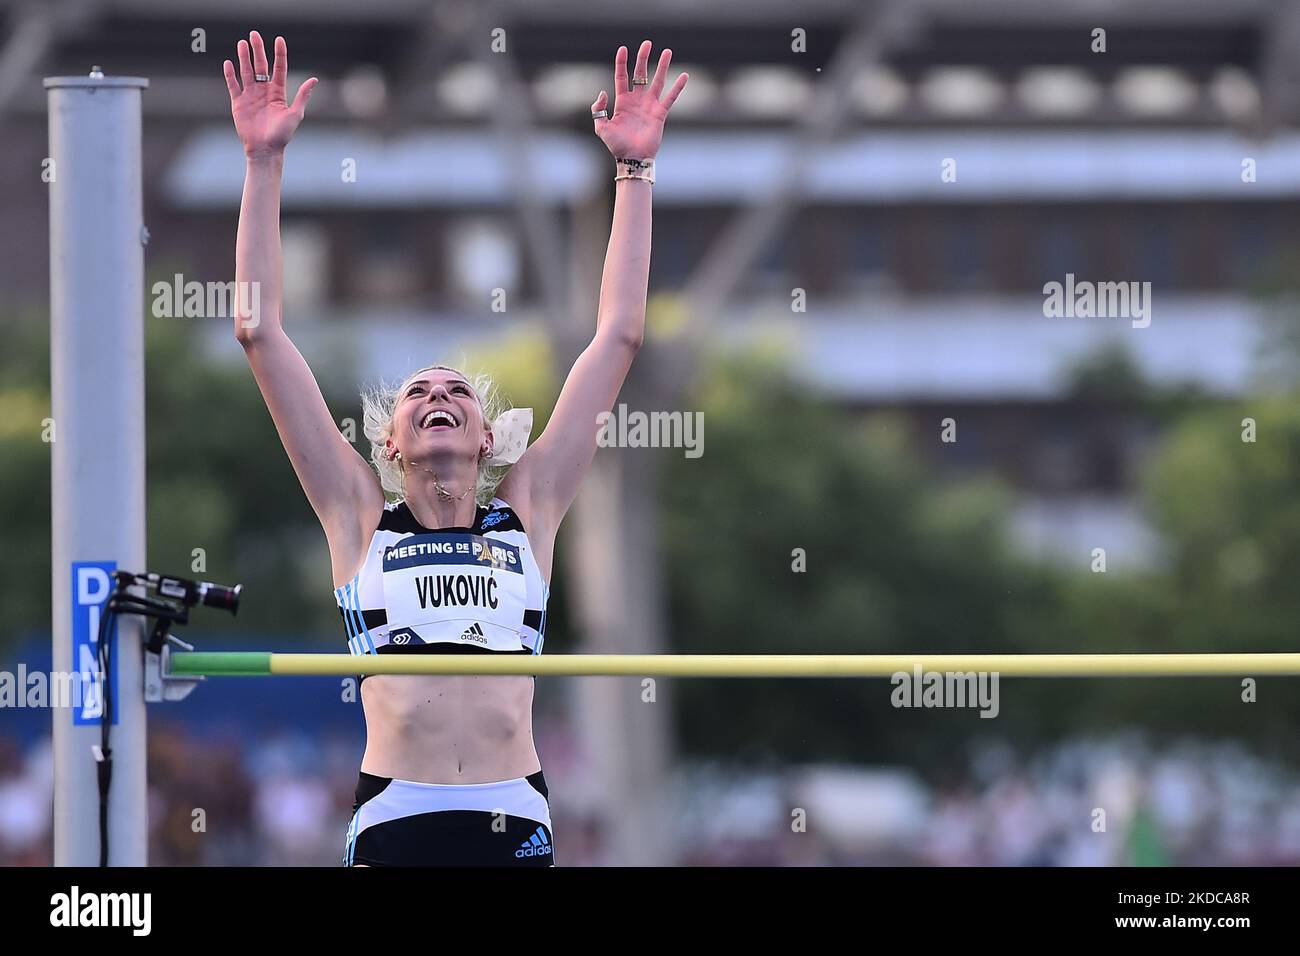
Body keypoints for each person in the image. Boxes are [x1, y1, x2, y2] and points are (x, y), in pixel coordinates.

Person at [223, 30, 687, 865]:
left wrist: (634, 172)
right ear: (391, 444)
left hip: (513, 813)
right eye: (418, 394)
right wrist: (263, 162)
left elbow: (617, 335)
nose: (438, 397)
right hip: (399, 817)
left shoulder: (531, 509)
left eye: (457, 393)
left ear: (486, 440)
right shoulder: (356, 516)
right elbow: (258, 330)